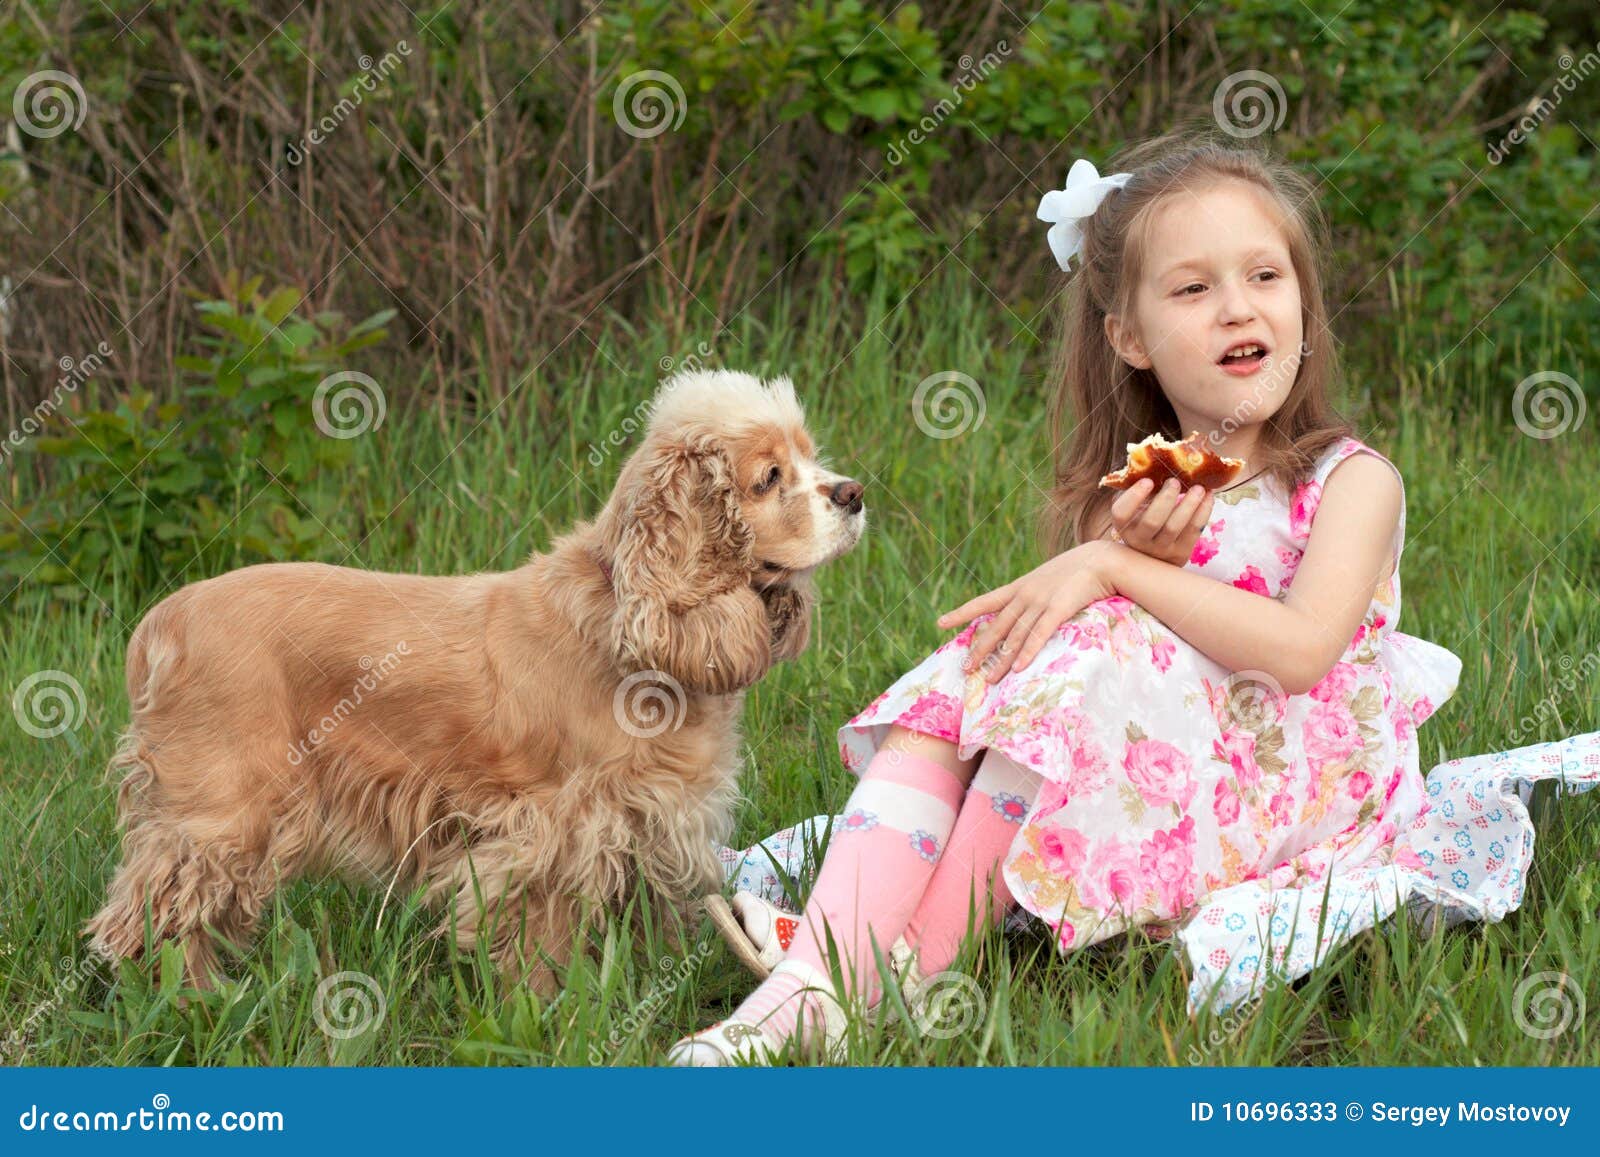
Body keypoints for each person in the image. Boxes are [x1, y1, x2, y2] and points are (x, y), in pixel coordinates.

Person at [669, 130, 1467, 1065]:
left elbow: (1297, 652)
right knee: (991, 661)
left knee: (1080, 662)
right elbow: (1078, 651)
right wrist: (1122, 552)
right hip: (1163, 758)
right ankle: (831, 981)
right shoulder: (1136, 491)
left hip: (1297, 777)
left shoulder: (1350, 480)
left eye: (1264, 277)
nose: (1236, 307)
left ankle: (892, 979)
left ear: (1304, 300)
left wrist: (1123, 570)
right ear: (1128, 337)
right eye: (1192, 288)